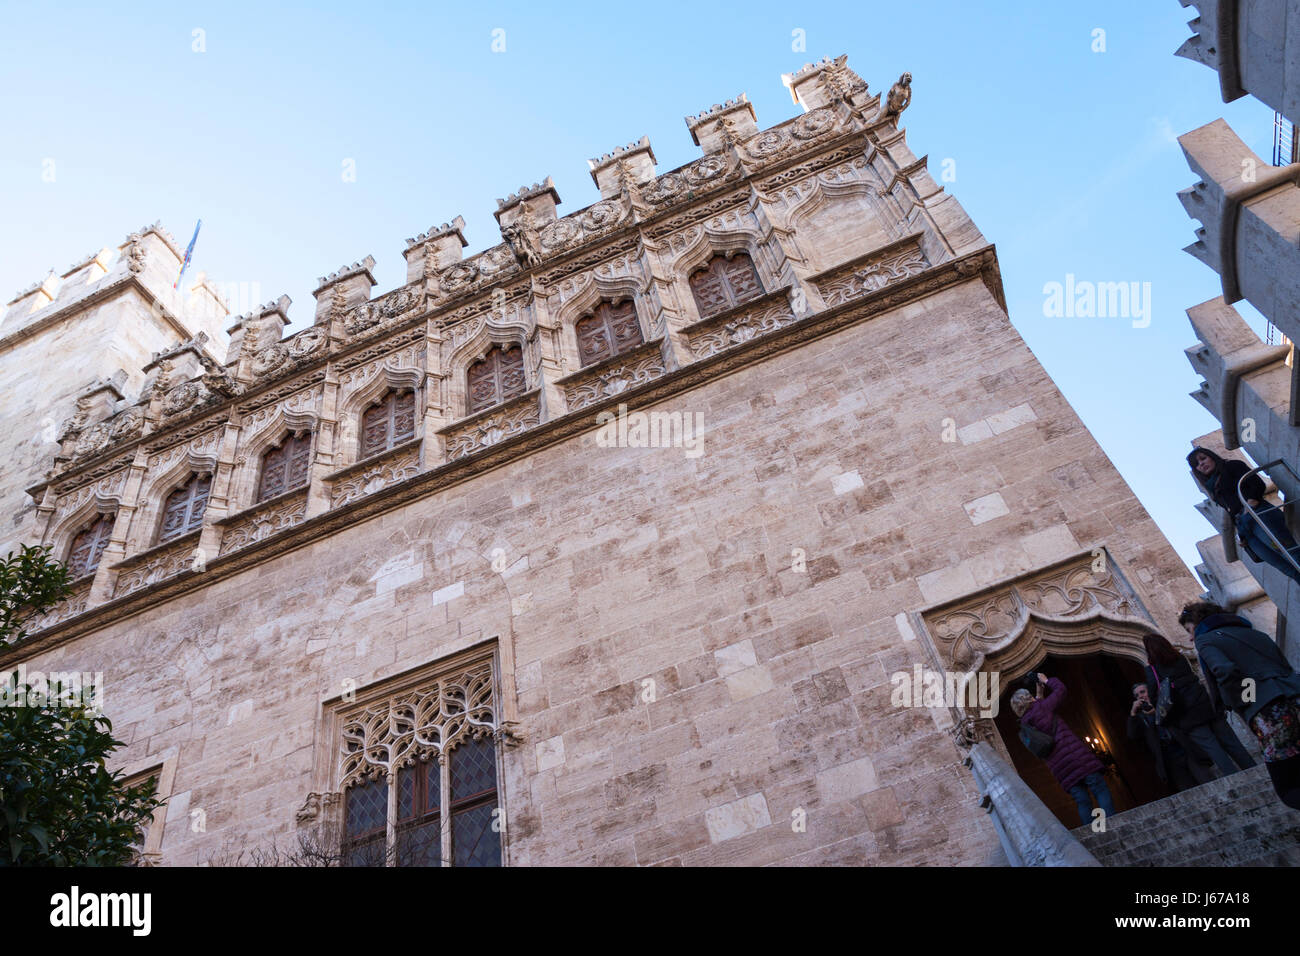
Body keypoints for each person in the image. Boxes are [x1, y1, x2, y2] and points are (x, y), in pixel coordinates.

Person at [1181, 601, 1300, 809]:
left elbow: (1225, 670)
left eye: (1190, 630)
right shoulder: (1254, 633)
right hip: (1295, 696)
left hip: (1270, 710)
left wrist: (1247, 699)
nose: (1191, 637)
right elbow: (1282, 664)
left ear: (1197, 623)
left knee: (1288, 786)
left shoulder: (1205, 640)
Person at [1141, 631, 1255, 778]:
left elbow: (1154, 692)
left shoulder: (1152, 670)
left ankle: (1236, 778)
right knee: (1231, 742)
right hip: (1205, 704)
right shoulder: (1179, 657)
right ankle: (1253, 769)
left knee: (1213, 748)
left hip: (1185, 714)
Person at [1011, 672, 1116, 825]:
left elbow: (1038, 711)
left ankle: (1095, 833)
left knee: (1082, 801)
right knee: (1099, 788)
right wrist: (1046, 680)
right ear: (1029, 698)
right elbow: (1061, 690)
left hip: (1060, 768)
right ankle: (1113, 823)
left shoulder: (1025, 724)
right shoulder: (1043, 708)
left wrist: (1039, 693)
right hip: (1077, 758)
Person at [1187, 446, 1300, 584]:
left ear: (1212, 456)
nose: (1201, 464)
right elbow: (1232, 511)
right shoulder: (1213, 487)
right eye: (1197, 464)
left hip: (1259, 515)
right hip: (1245, 528)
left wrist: (1250, 506)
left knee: (1292, 554)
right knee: (1284, 567)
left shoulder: (1232, 466)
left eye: (1203, 458)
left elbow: (1257, 484)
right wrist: (1241, 533)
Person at [1127, 682, 1198, 792]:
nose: (1140, 696)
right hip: (1169, 758)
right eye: (1137, 695)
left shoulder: (1163, 701)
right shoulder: (1141, 718)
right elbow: (1132, 735)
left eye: (1142, 692)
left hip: (1185, 749)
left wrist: (1157, 710)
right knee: (1188, 789)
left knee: (1204, 778)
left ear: (1149, 691)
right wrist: (1133, 713)